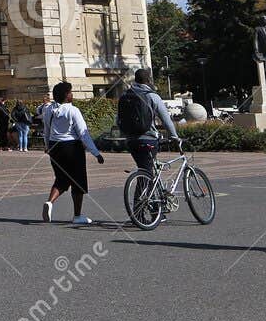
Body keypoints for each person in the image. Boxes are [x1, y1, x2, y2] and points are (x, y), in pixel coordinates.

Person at [41, 82, 104, 226]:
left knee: (61, 178)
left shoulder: (48, 110)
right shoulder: (73, 110)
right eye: (70, 92)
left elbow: (46, 131)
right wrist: (96, 153)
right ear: (66, 95)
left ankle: (50, 202)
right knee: (78, 181)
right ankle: (77, 215)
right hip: (72, 147)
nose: (72, 94)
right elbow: (84, 134)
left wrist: (47, 147)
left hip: (54, 146)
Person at [119, 68, 179, 177]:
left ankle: (146, 192)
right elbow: (166, 120)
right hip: (148, 139)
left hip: (131, 140)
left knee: (144, 169)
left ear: (135, 80)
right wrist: (174, 137)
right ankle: (145, 193)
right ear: (149, 80)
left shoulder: (125, 96)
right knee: (148, 174)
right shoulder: (152, 96)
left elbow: (119, 119)